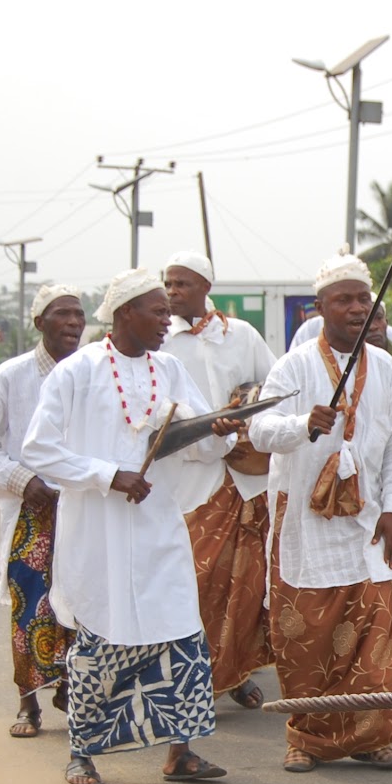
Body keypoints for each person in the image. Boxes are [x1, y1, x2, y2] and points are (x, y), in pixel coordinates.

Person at [22, 268, 243, 784]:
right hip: (98, 532)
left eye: (169, 311)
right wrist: (107, 476)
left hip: (157, 526)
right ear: (125, 314)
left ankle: (180, 752)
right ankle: (82, 751)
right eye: (159, 311)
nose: (169, 321)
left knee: (178, 627)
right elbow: (38, 449)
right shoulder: (76, 371)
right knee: (101, 634)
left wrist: (219, 430)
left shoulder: (168, 369)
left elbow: (194, 438)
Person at [249, 248, 392, 773]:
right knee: (305, 632)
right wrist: (301, 426)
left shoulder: (383, 366)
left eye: (364, 298)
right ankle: (305, 737)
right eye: (344, 300)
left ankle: (369, 734)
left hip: (370, 519)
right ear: (320, 308)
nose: (358, 308)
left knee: (372, 629)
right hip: (305, 526)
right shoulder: (293, 366)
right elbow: (258, 431)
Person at [157, 250, 278, 709]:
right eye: (168, 284)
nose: (172, 293)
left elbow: (272, 386)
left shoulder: (241, 335)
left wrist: (247, 411)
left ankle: (237, 672)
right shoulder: (160, 342)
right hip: (188, 477)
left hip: (244, 476)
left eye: (181, 284)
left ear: (206, 287)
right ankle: (197, 675)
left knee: (246, 580)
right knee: (198, 578)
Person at [0, 284, 85, 739]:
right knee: (28, 607)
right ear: (40, 322)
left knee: (77, 606)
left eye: (79, 314)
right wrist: (23, 481)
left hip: (79, 507)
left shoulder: (90, 372)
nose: (74, 322)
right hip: (30, 512)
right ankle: (27, 703)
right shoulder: (12, 376)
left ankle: (73, 692)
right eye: (63, 314)